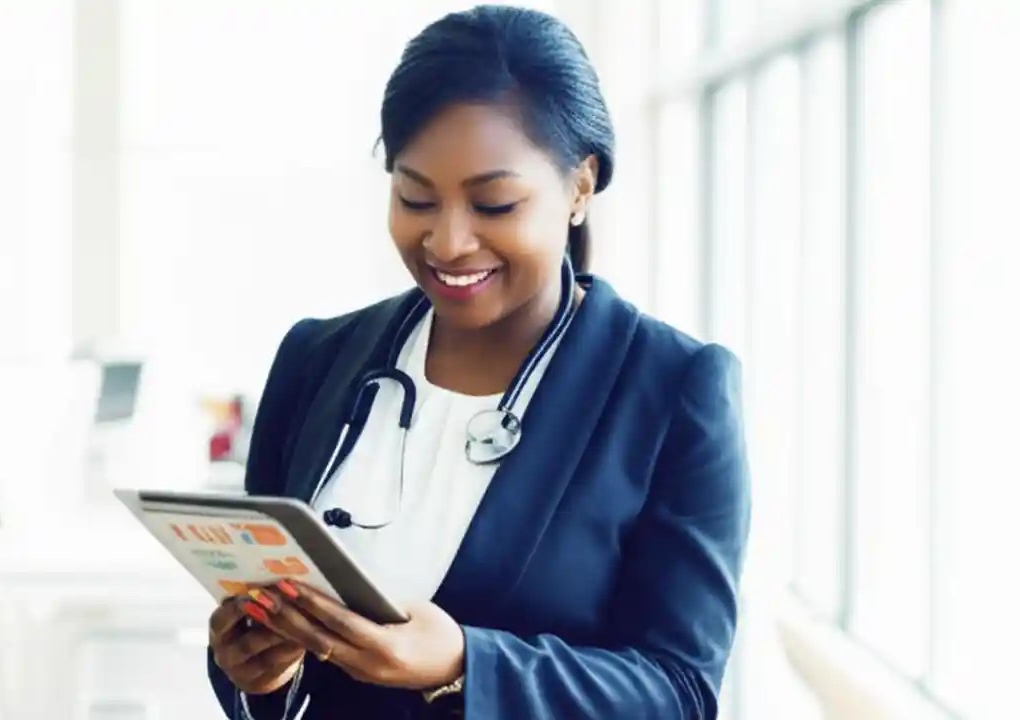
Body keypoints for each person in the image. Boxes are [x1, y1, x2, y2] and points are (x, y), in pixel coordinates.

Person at [206, 5, 750, 719]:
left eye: (494, 204)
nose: (448, 241)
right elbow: (264, 648)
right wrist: (258, 674)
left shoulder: (675, 389)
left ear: (581, 185)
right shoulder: (316, 360)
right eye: (415, 198)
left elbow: (680, 691)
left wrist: (466, 663)